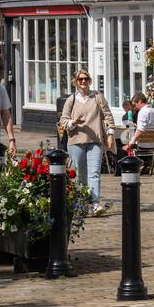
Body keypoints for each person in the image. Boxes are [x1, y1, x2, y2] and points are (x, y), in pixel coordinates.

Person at [58, 70, 117, 213]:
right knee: (80, 174)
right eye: (80, 79)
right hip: (75, 141)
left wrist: (110, 134)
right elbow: (63, 120)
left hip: (95, 140)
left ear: (90, 81)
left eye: (86, 79)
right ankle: (81, 204)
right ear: (75, 82)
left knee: (94, 172)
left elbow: (108, 116)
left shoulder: (97, 97)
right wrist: (73, 123)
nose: (83, 82)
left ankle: (95, 203)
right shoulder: (71, 100)